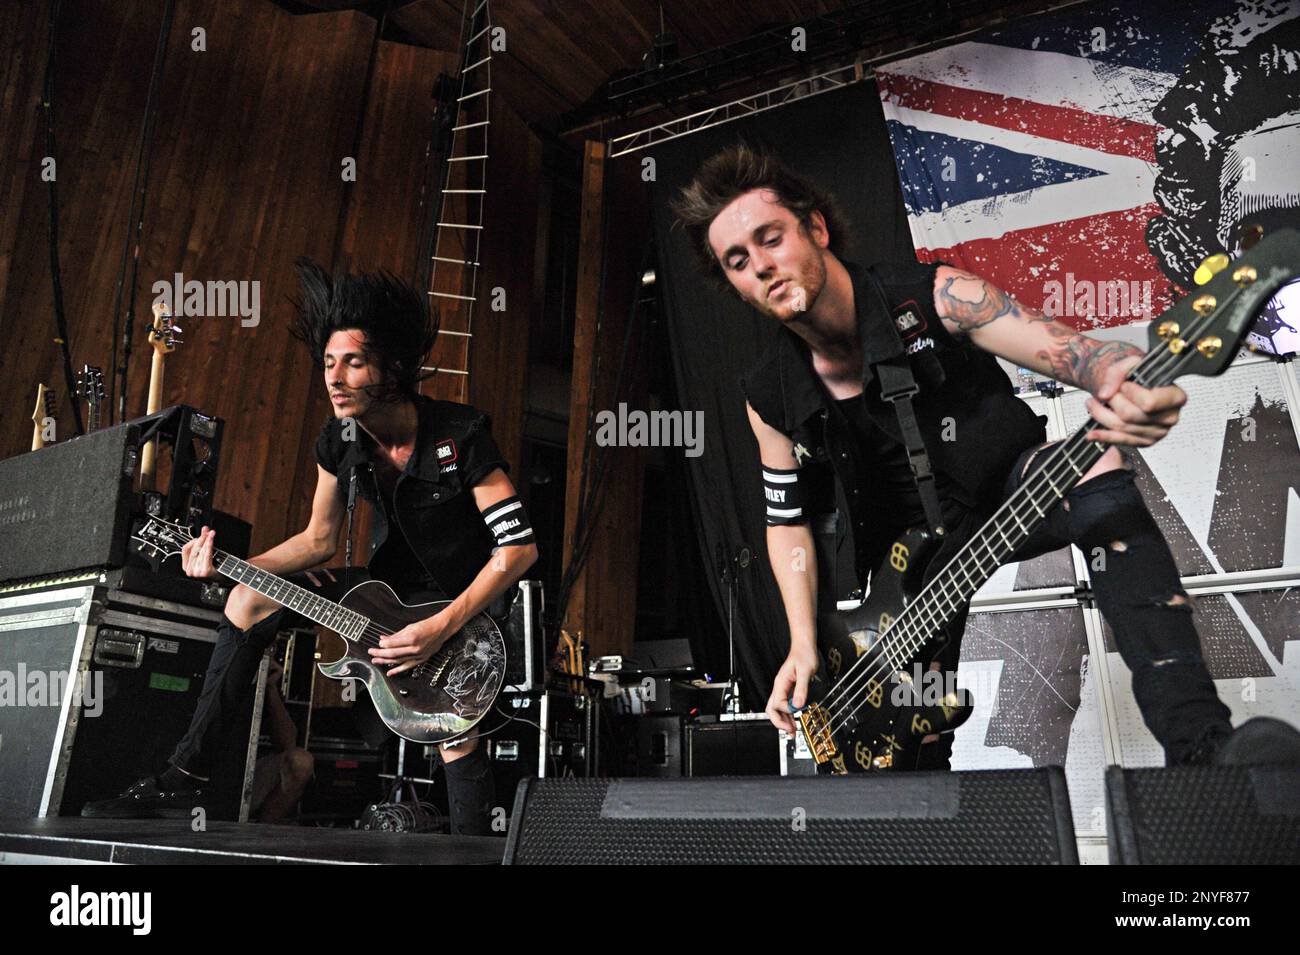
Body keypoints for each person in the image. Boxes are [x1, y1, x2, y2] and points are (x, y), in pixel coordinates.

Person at [670, 144, 1300, 769]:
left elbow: (1084, 357)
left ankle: (1199, 744)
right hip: (903, 579)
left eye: (771, 237)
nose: (761, 265)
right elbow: (787, 522)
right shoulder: (767, 394)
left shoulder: (940, 297)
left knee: (1092, 464)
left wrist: (1127, 376)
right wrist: (803, 645)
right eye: (737, 260)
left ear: (816, 227)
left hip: (1004, 491)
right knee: (908, 761)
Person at [83, 260, 538, 830]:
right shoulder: (339, 439)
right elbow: (318, 540)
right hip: (385, 590)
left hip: (460, 606)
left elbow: (517, 550)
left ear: (391, 370)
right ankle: (185, 776)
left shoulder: (459, 434)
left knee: (451, 733)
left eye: (352, 362)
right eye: (328, 363)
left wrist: (439, 628)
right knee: (246, 601)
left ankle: (478, 848)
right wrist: (228, 567)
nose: (335, 377)